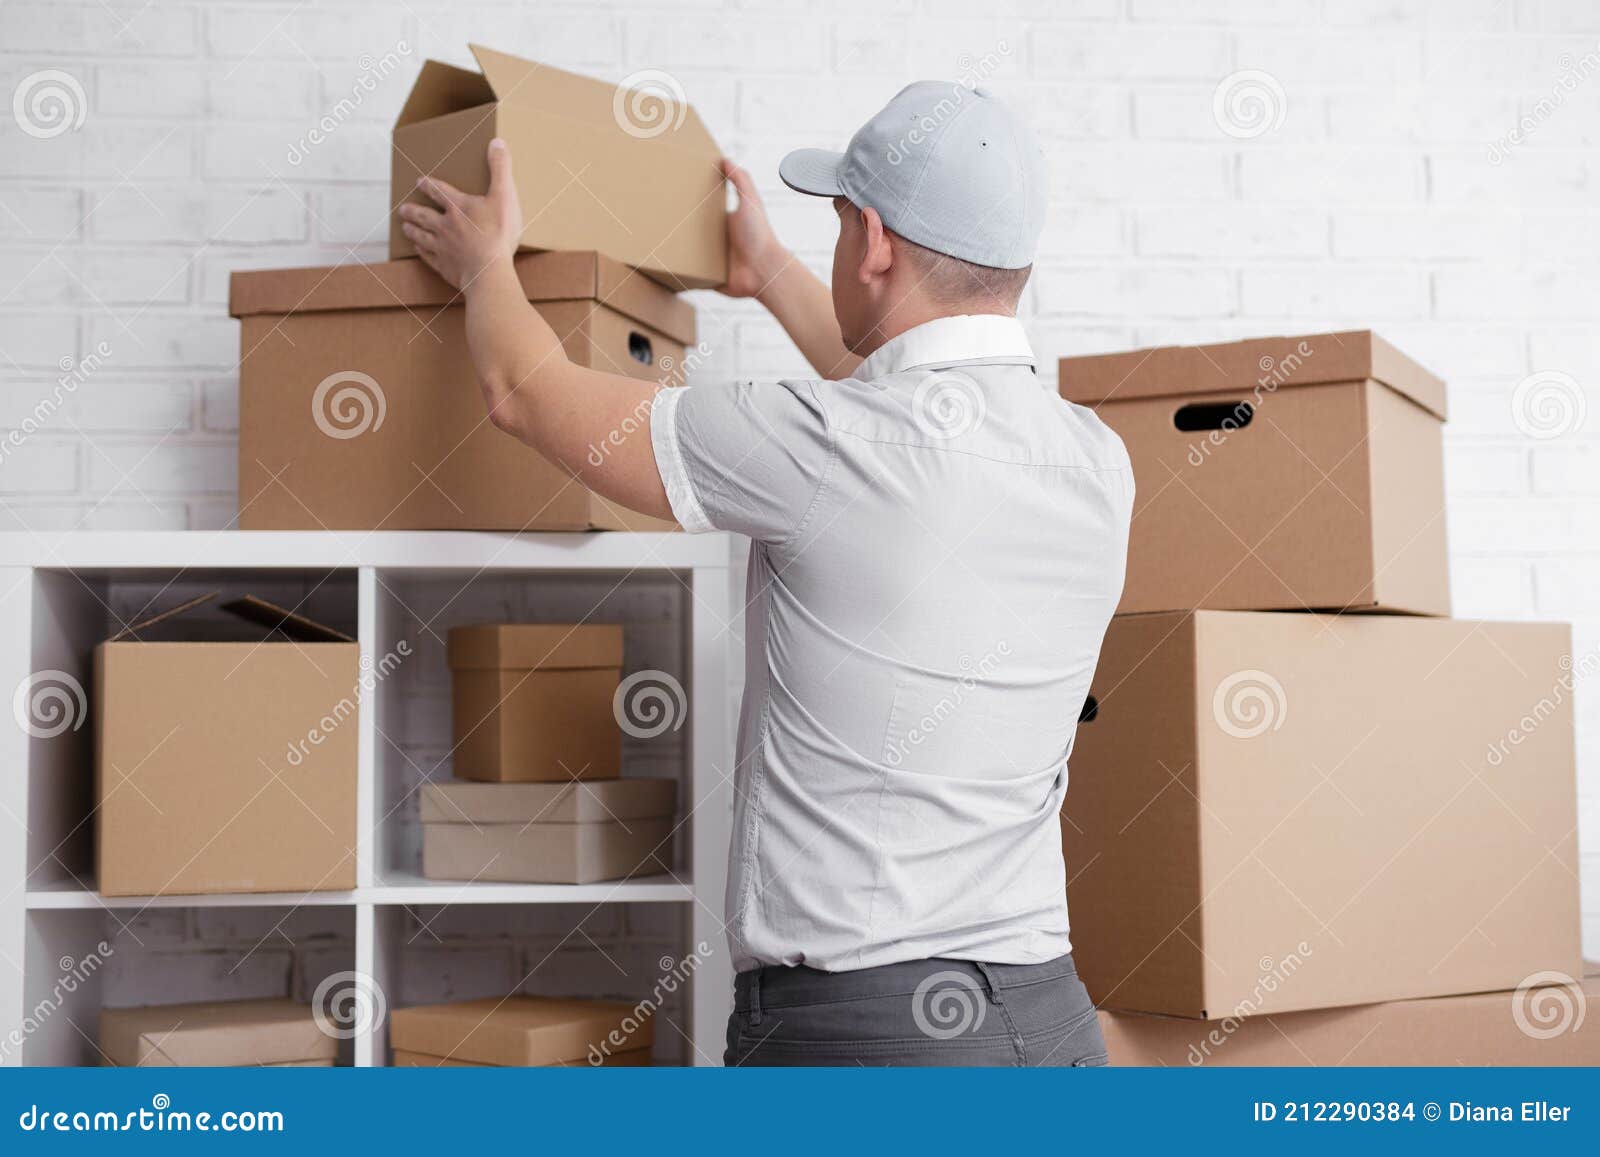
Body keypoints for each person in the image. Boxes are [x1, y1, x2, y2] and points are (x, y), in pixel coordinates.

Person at [399, 80, 1133, 1067]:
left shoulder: (821, 442)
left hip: (867, 1040)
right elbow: (907, 408)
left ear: (872, 241)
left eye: (837, 224)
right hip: (1050, 1023)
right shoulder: (1095, 460)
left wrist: (488, 264)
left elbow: (526, 394)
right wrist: (772, 272)